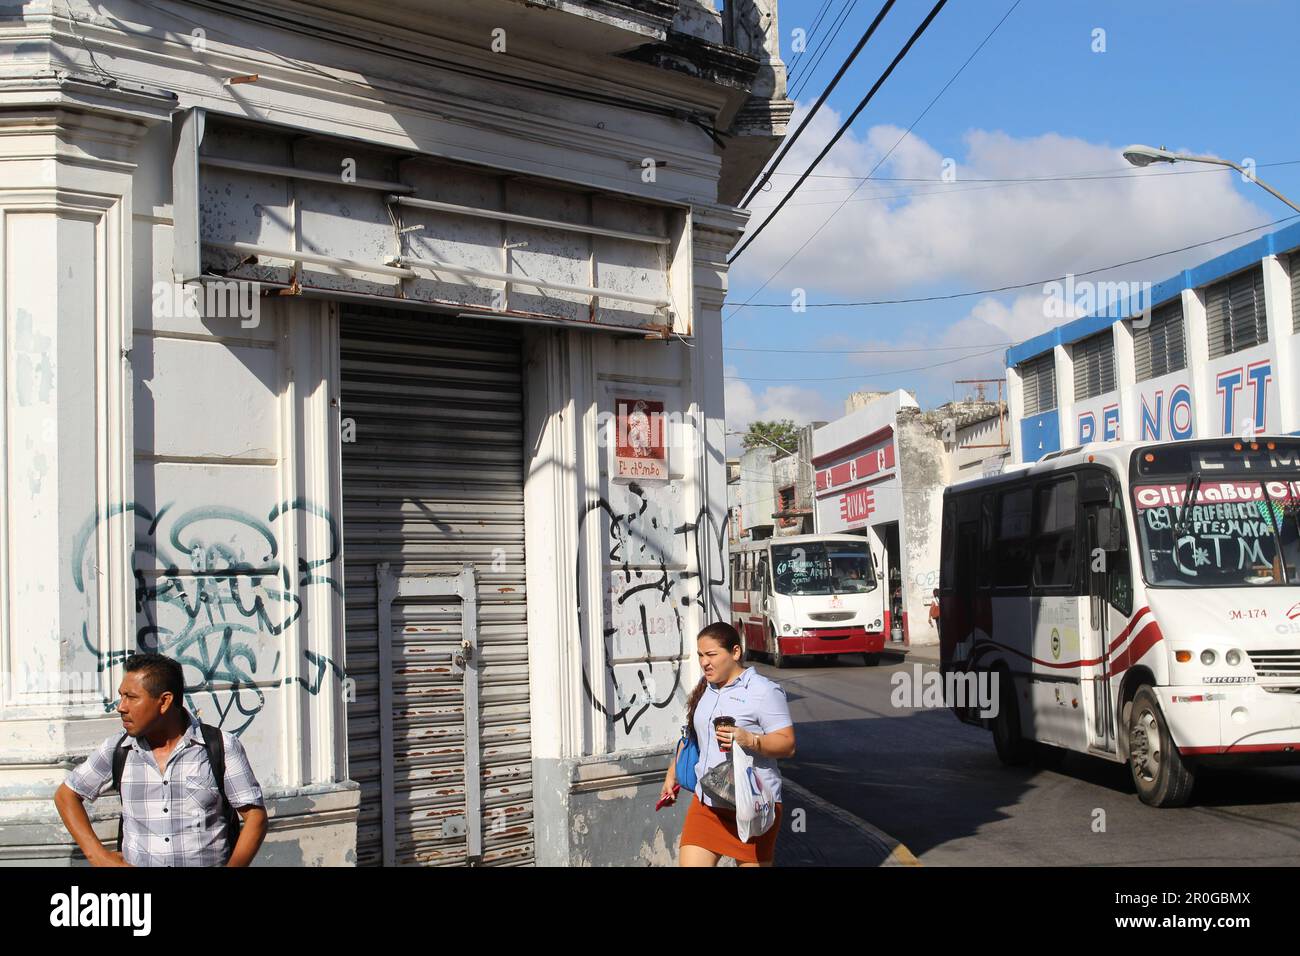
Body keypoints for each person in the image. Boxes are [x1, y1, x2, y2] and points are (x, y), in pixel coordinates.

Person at [54, 652, 268, 867]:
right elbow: (66, 796)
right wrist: (98, 857)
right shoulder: (118, 749)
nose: (121, 707)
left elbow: (255, 818)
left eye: (131, 697)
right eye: (121, 696)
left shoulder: (221, 746)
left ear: (164, 701)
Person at [659, 622, 796, 867]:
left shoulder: (763, 691)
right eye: (701, 655)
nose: (704, 662)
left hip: (753, 803)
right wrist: (673, 773)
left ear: (735, 652)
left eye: (712, 655)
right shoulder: (705, 689)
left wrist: (751, 740)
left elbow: (787, 744)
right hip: (708, 804)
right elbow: (693, 738)